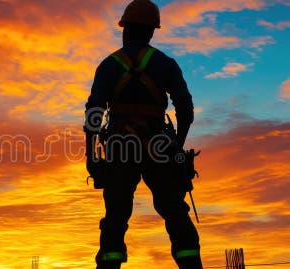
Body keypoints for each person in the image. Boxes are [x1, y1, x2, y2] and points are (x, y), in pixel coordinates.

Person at [83, 1, 202, 268]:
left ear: (125, 29)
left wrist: (91, 154)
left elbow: (93, 114)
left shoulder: (108, 65)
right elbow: (185, 109)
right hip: (159, 147)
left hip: (119, 149)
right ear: (151, 31)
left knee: (115, 217)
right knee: (175, 213)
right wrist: (177, 149)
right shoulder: (165, 64)